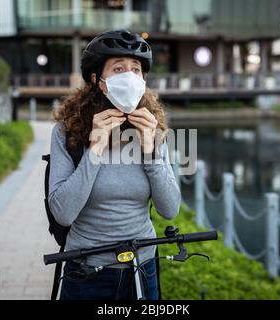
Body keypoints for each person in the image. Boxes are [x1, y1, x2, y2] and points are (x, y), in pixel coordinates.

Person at [48, 29, 181, 300]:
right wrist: (95, 148)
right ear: (99, 80)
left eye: (136, 69)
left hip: (142, 268)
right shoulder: (66, 131)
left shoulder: (153, 129)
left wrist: (151, 150)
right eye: (119, 69)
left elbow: (170, 209)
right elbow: (62, 213)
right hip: (86, 271)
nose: (130, 77)